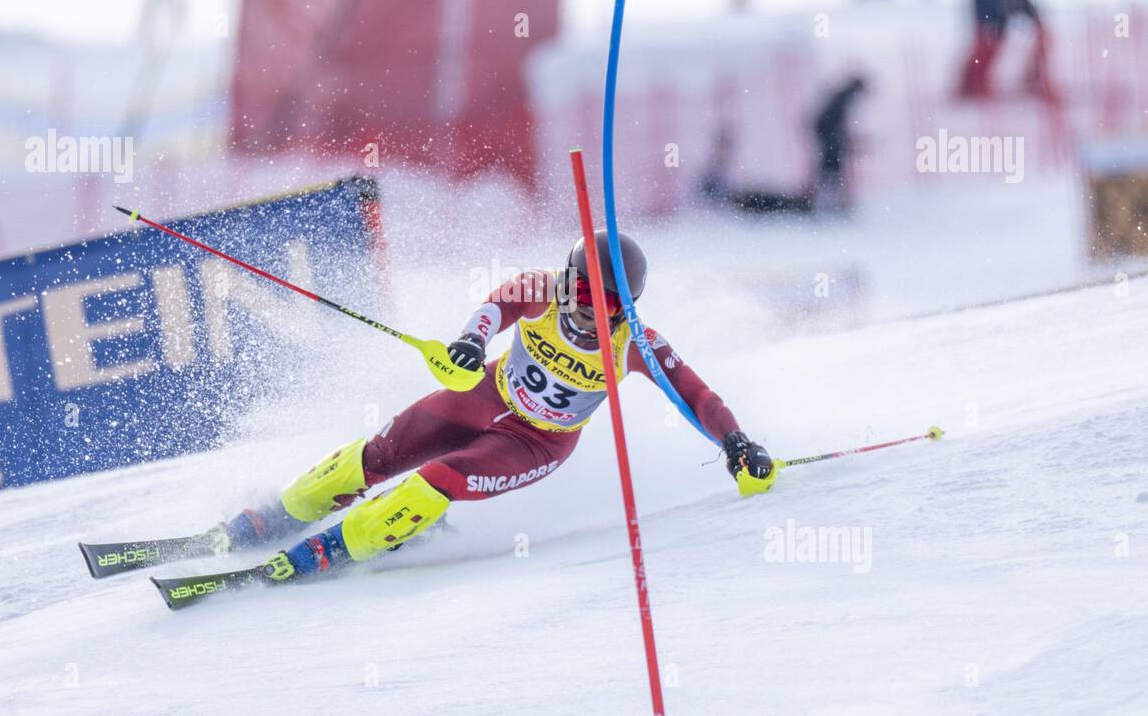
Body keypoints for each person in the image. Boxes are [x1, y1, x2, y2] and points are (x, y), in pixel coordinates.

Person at [206, 232, 775, 583]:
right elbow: (496, 307)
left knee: (436, 480)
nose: (585, 313)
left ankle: (331, 550)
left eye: (604, 306)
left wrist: (736, 444)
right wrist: (470, 343)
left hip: (536, 442)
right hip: (483, 397)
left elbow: (698, 397)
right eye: (578, 294)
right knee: (378, 454)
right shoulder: (545, 287)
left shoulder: (637, 344)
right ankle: (279, 514)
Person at [811, 75, 869, 213]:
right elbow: (833, 121)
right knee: (832, 168)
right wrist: (840, 140)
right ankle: (828, 203)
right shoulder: (843, 98)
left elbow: (832, 121)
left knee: (830, 167)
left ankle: (828, 202)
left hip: (827, 134)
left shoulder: (840, 96)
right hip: (828, 135)